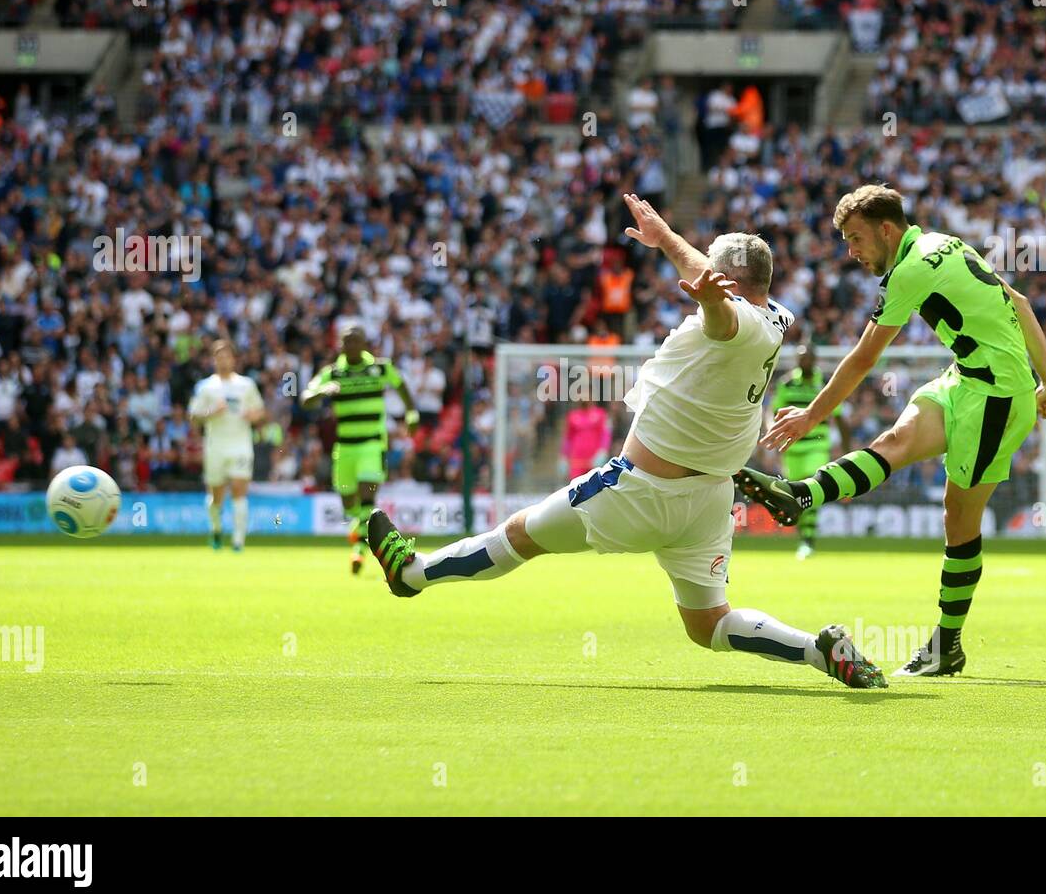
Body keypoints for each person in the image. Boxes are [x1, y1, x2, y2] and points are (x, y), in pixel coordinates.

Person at [365, 193, 887, 690]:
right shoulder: (776, 318)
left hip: (638, 492)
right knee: (708, 624)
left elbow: (725, 316)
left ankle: (412, 575)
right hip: (706, 503)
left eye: (710, 267)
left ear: (724, 279)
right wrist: (686, 260)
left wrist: (670, 247)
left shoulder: (737, 320)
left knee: (519, 535)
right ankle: (818, 650)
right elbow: (728, 301)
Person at [736, 184, 1046, 677]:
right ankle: (798, 496)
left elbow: (865, 356)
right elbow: (1019, 302)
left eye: (857, 239)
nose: (853, 253)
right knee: (893, 443)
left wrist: (811, 415)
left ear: (886, 230)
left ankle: (946, 645)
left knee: (959, 518)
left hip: (996, 396)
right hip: (967, 378)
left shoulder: (909, 270)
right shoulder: (946, 243)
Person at [301, 325, 418, 575]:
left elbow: (401, 386)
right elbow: (305, 398)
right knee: (349, 503)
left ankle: (359, 552)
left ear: (365, 343)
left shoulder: (380, 367)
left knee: (367, 495)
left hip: (372, 443)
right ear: (341, 345)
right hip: (345, 447)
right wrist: (322, 392)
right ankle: (357, 524)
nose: (351, 345)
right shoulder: (333, 373)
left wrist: (411, 412)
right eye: (346, 341)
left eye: (355, 340)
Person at [769, 343, 851, 558]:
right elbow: (774, 411)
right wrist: (772, 431)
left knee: (812, 486)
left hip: (817, 445)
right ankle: (805, 537)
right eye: (800, 358)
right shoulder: (786, 383)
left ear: (814, 360)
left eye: (807, 358)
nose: (803, 361)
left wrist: (846, 450)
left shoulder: (824, 384)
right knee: (798, 497)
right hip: (793, 447)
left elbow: (840, 418)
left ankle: (808, 541)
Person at [189, 340, 265, 551]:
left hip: (240, 445)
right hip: (215, 446)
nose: (223, 360)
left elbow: (260, 412)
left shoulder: (246, 384)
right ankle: (216, 530)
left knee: (240, 491)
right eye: (219, 356)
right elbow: (194, 417)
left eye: (227, 356)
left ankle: (238, 541)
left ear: (233, 359)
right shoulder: (205, 387)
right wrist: (212, 412)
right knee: (216, 495)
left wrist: (253, 415)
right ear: (214, 360)